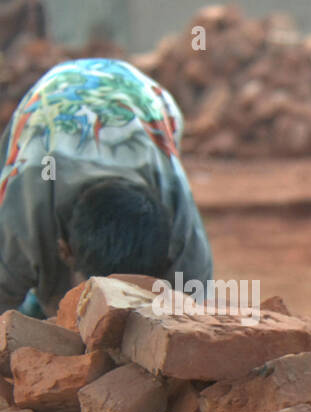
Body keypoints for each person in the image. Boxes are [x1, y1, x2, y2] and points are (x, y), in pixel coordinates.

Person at [0, 58, 211, 318]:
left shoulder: (181, 229)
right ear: (65, 250)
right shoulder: (21, 215)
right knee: (60, 307)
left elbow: (190, 320)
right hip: (49, 105)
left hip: (144, 96)